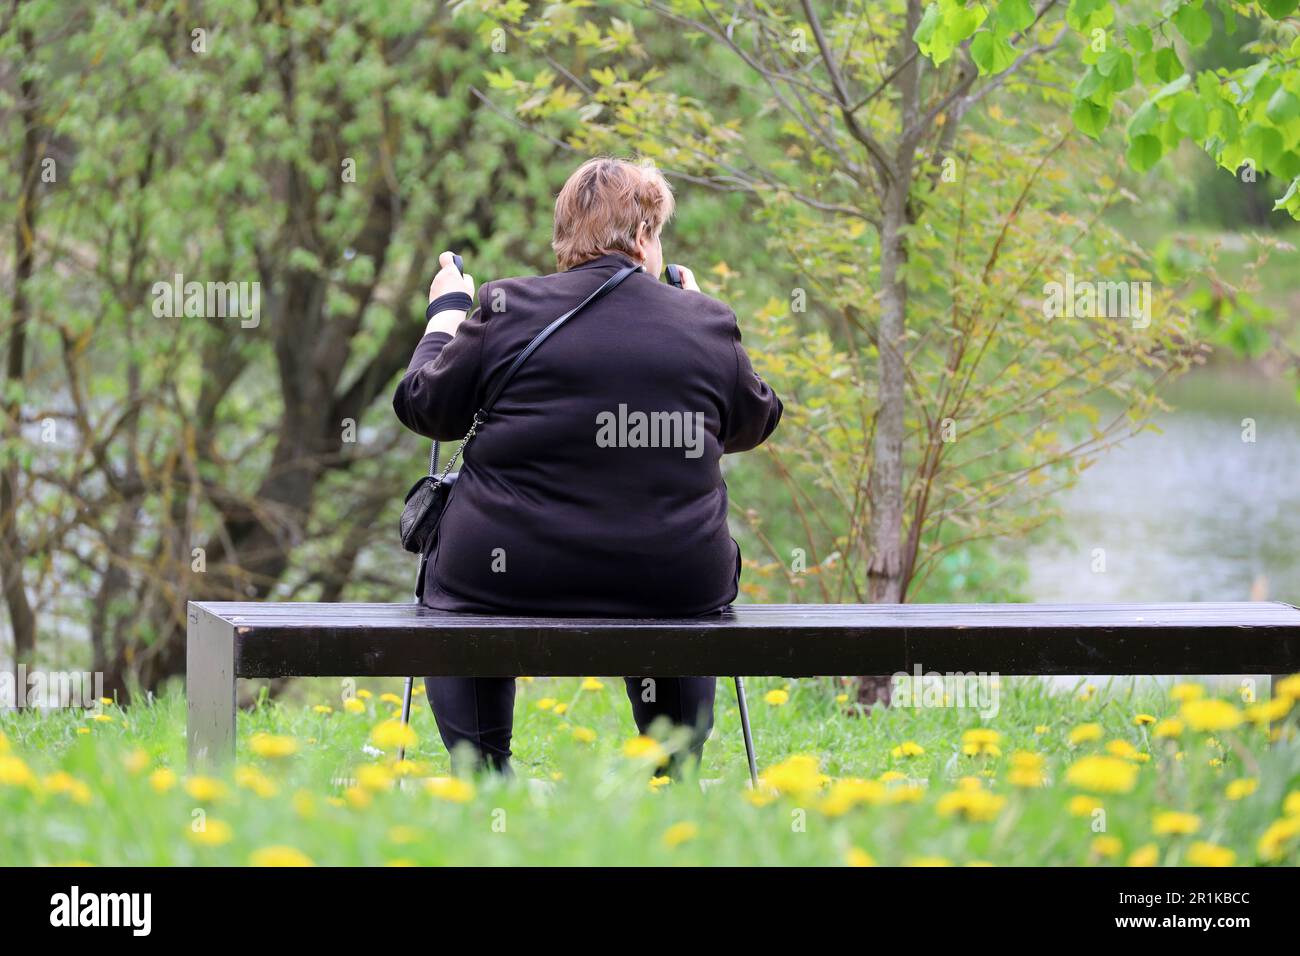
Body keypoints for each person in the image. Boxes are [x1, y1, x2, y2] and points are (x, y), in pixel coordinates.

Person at [393, 157, 782, 775]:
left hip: (503, 575)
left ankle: (483, 773)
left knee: (462, 591)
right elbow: (752, 423)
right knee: (675, 585)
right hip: (672, 577)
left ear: (564, 237)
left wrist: (445, 314)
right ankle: (672, 771)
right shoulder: (706, 322)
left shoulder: (503, 307)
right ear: (647, 236)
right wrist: (701, 317)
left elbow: (425, 409)